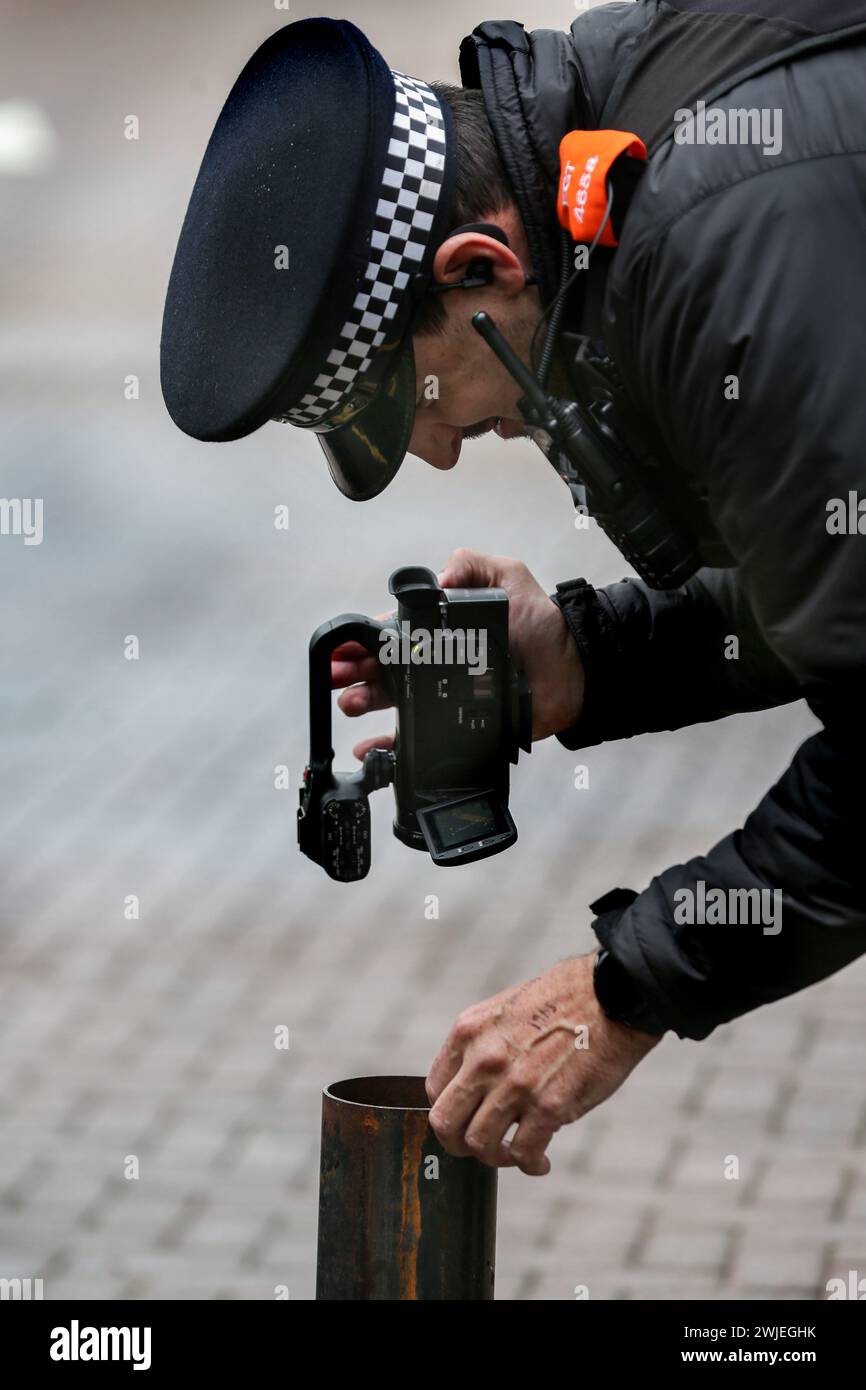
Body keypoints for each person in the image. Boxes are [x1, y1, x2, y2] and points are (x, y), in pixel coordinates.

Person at [161, 3, 866, 1177]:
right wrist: (590, 660)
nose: (437, 450)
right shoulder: (651, 160)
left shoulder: (726, 246)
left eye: (413, 399)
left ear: (479, 265)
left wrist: (620, 987)